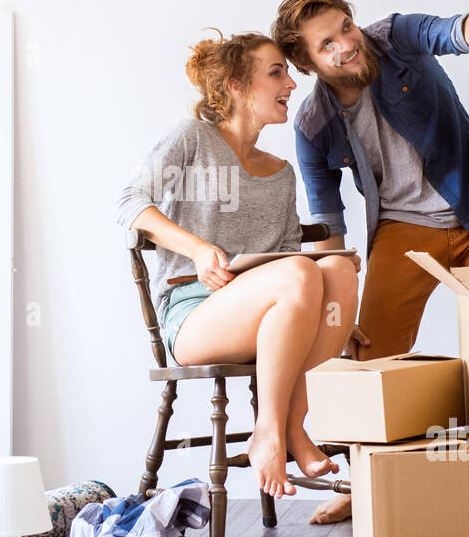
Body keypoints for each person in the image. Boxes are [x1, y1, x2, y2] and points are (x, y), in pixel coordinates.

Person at [269, 0, 469, 523]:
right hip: (402, 230)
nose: (346, 44)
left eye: (344, 28)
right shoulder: (312, 124)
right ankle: (363, 483)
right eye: (326, 44)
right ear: (307, 64)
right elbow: (328, 219)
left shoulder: (395, 37)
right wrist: (337, 308)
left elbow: (460, 32)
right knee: (372, 359)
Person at [115, 30, 360, 500]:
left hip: (269, 310)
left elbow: (292, 252)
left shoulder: (281, 172)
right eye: (276, 72)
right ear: (236, 86)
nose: (291, 84)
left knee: (339, 270)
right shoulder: (193, 140)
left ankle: (293, 427)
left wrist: (338, 315)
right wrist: (197, 249)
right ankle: (268, 432)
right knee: (303, 271)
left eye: (288, 73)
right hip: (194, 315)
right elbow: (129, 202)